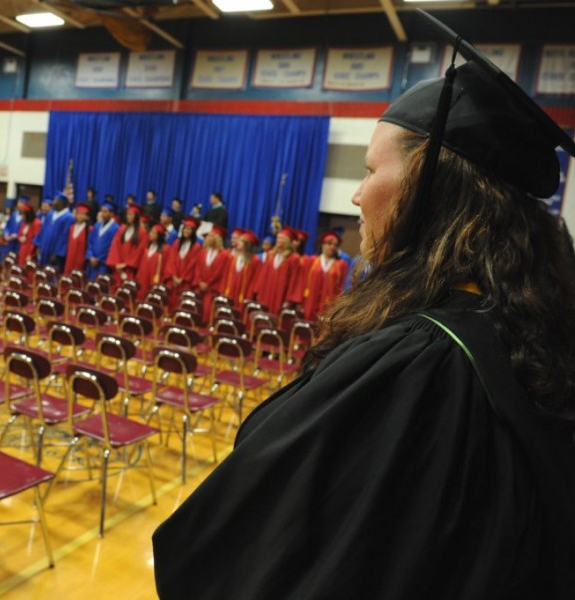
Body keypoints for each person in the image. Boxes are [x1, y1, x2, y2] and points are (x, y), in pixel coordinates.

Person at [153, 12, 575, 599]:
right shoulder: (530, 342)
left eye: (371, 169)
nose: (355, 194)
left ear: (434, 193)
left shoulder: (417, 366)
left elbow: (243, 546)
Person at [251, 227, 303, 313]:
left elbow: (295, 281)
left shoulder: (294, 258)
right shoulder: (271, 255)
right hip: (267, 293)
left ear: (287, 241)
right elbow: (263, 276)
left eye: (282, 238)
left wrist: (289, 300)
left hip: (281, 296)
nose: (278, 240)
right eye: (278, 238)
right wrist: (259, 291)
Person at [301, 230, 349, 323]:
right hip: (311, 300)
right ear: (322, 244)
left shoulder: (341, 265)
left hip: (329, 303)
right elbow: (303, 281)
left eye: (336, 245)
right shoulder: (311, 261)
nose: (332, 247)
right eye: (329, 243)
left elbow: (342, 285)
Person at [194, 225, 231, 324]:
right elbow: (198, 268)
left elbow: (219, 272)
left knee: (208, 308)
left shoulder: (223, 255)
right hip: (200, 286)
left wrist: (208, 284)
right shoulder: (203, 252)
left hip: (213, 288)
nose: (209, 238)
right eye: (209, 236)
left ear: (218, 238)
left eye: (212, 236)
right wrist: (200, 281)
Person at [164, 215, 202, 308]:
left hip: (185, 281)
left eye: (190, 229)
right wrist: (173, 276)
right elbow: (171, 260)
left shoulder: (196, 246)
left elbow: (192, 264)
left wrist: (182, 278)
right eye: (185, 228)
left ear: (193, 232)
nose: (187, 231)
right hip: (173, 278)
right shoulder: (176, 242)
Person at [106, 204, 148, 285]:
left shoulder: (142, 232)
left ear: (136, 216)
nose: (128, 216)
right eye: (128, 214)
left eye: (131, 214)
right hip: (118, 267)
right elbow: (115, 246)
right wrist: (117, 263)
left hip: (130, 269)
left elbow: (140, 251)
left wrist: (126, 264)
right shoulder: (122, 229)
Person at [222, 230, 261, 312]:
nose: (237, 243)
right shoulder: (233, 258)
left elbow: (255, 280)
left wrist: (250, 295)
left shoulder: (255, 261)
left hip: (244, 293)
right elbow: (226, 275)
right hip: (231, 291)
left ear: (247, 245)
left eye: (241, 241)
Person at [85, 199, 119, 281]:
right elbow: (90, 242)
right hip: (91, 262)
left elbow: (112, 247)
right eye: (102, 211)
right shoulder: (97, 225)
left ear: (112, 214)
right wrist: (90, 256)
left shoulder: (116, 228)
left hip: (103, 264)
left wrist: (99, 259)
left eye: (105, 211)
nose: (102, 214)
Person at [136, 223, 170, 300]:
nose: (150, 234)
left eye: (154, 233)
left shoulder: (166, 249)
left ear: (159, 236)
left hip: (154, 279)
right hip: (142, 277)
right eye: (151, 232)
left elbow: (165, 266)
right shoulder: (146, 246)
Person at [63, 203, 91, 275]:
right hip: (69, 257)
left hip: (80, 259)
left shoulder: (89, 229)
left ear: (87, 217)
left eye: (82, 214)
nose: (80, 216)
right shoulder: (72, 227)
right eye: (78, 214)